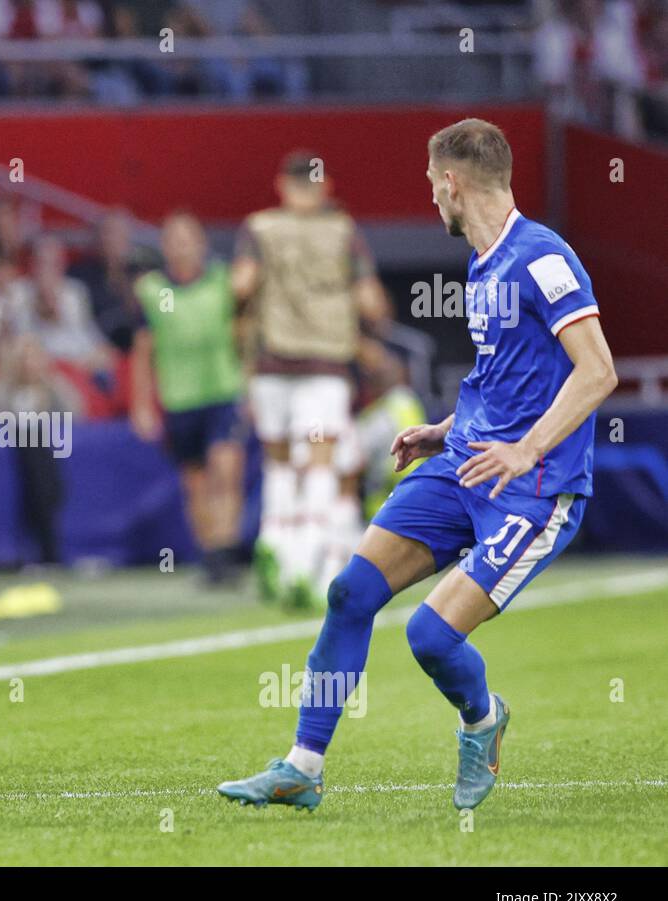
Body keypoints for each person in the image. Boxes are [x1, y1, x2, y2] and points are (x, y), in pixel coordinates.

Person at [218, 118, 617, 813]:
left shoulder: (544, 259)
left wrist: (526, 448)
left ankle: (483, 719)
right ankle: (302, 767)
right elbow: (502, 381)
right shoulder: (483, 263)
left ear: (454, 182)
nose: (432, 197)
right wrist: (444, 430)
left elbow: (599, 372)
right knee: (350, 594)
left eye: (433, 184)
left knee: (431, 635)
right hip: (466, 463)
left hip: (532, 486)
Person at [233, 151, 389, 608]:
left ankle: (276, 550)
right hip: (324, 366)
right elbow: (371, 302)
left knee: (279, 464)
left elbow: (241, 285)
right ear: (325, 186)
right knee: (323, 465)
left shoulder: (258, 228)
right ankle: (310, 567)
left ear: (282, 185)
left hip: (271, 365)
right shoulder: (343, 231)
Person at [131, 211, 247, 585]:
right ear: (165, 247)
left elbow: (242, 334)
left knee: (225, 469)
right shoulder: (152, 290)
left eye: (188, 238)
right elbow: (142, 351)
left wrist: (250, 383)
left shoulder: (222, 282)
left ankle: (227, 548)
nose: (182, 246)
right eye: (174, 239)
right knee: (195, 481)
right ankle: (210, 553)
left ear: (201, 243)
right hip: (180, 399)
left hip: (223, 390)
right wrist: (142, 404)